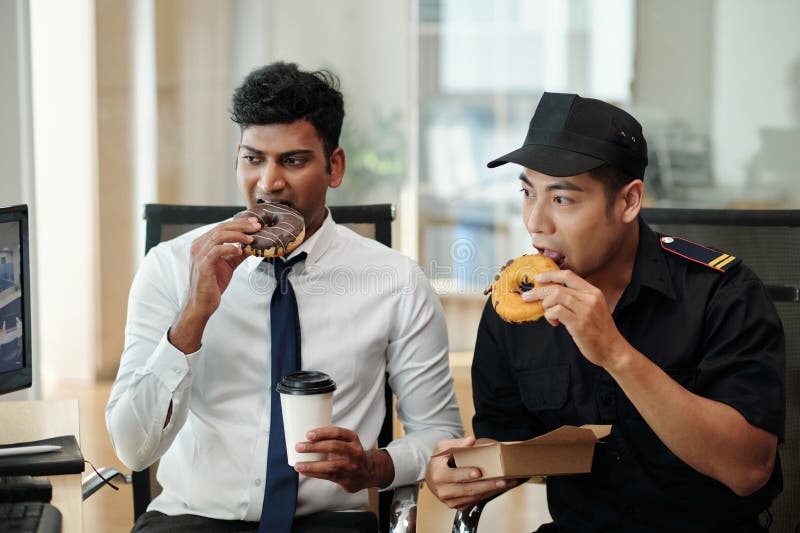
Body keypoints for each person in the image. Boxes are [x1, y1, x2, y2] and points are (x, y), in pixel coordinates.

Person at [107, 61, 463, 532]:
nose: (269, 183)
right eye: (253, 159)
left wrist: (373, 466)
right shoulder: (171, 267)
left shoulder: (396, 281)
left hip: (327, 521)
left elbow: (440, 434)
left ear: (334, 167)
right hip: (193, 518)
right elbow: (132, 449)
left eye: (293, 161)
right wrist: (192, 315)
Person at [425, 92, 784, 532]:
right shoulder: (515, 307)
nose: (535, 222)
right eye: (527, 192)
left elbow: (749, 470)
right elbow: (509, 444)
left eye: (562, 199)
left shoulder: (723, 292)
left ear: (628, 201)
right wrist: (460, 473)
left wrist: (615, 353)